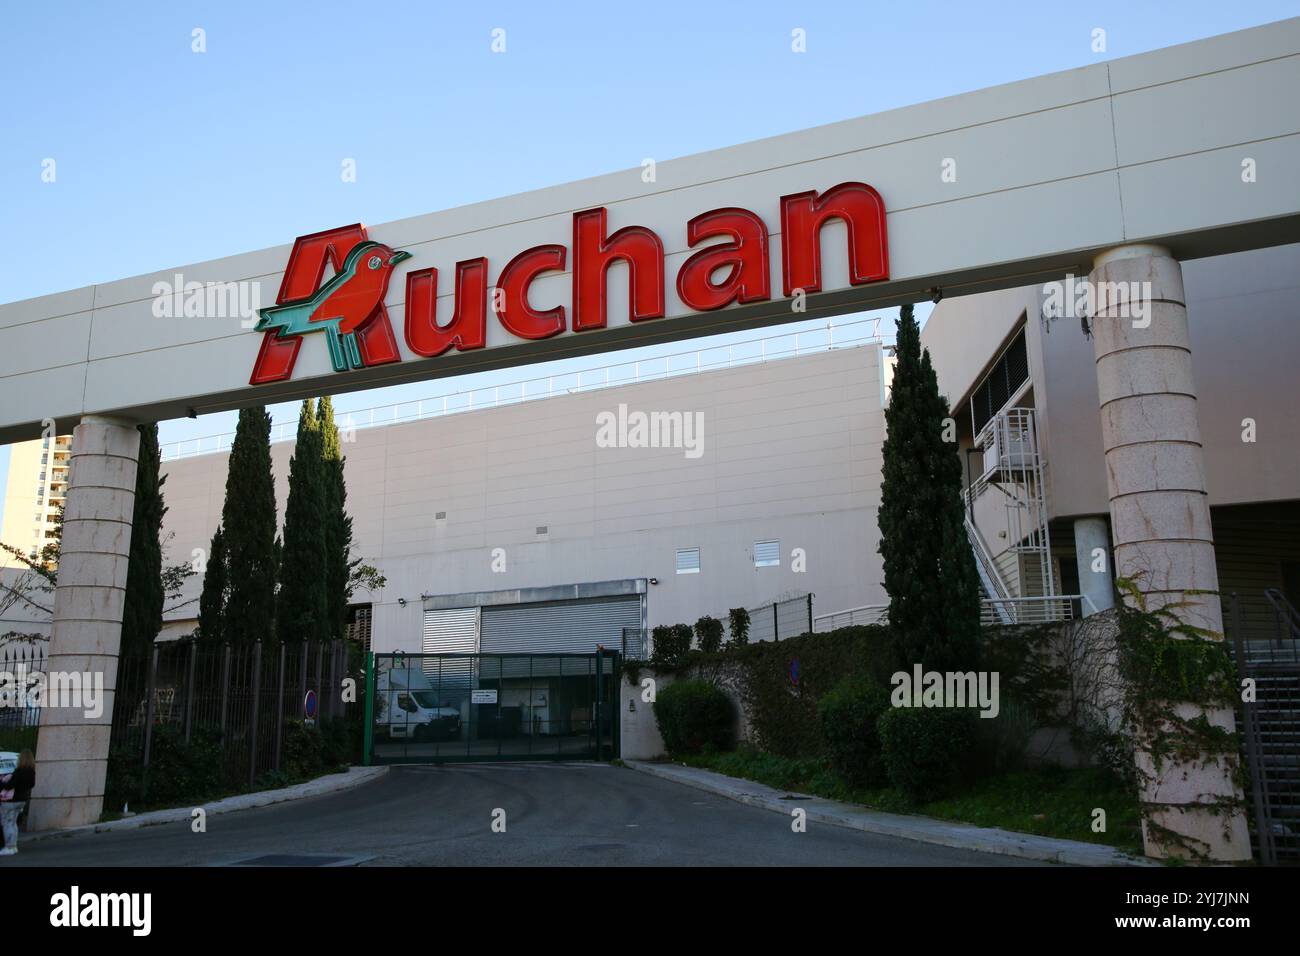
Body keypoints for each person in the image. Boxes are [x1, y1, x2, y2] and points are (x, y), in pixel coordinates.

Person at [0, 750, 35, 857]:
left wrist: (3, 781)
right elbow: (32, 784)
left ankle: (9, 847)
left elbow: (9, 786)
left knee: (7, 823)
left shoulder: (19, 771)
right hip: (22, 800)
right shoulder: (31, 772)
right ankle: (13, 846)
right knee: (13, 823)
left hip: (11, 800)